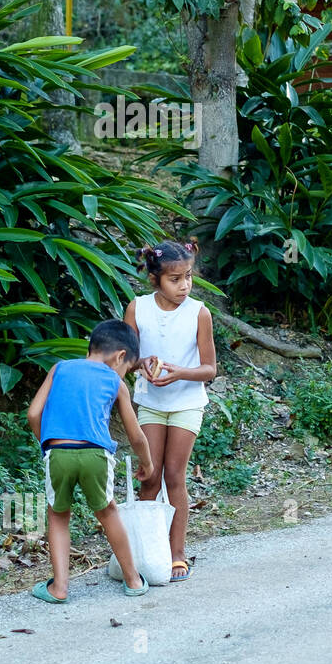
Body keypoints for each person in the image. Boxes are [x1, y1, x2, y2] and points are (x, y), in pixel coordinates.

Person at [26, 319, 154, 602]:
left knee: (58, 515)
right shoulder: (115, 382)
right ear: (121, 356)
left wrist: (48, 446)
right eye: (127, 368)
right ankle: (133, 580)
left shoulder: (59, 369)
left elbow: (34, 414)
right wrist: (148, 463)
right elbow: (136, 436)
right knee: (108, 512)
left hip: (58, 452)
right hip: (96, 453)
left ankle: (59, 588)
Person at [125, 239, 217, 583]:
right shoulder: (137, 309)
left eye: (188, 277)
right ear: (155, 279)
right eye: (175, 279)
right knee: (149, 477)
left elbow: (210, 369)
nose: (184, 286)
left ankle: (177, 553)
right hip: (150, 402)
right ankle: (149, 552)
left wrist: (180, 373)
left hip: (186, 403)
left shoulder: (199, 312)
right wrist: (142, 364)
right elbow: (127, 358)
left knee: (175, 476)